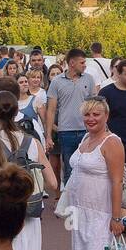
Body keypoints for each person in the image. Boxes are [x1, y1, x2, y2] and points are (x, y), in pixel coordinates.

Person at [60, 95, 126, 250]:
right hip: (80, 210)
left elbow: (117, 181)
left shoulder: (112, 142)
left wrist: (117, 217)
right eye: (87, 114)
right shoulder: (85, 139)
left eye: (95, 114)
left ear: (106, 116)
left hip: (101, 210)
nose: (90, 118)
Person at [0, 87, 57, 250]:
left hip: (2, 211)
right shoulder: (33, 142)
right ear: (16, 111)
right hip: (30, 208)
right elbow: (53, 183)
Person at [97, 58, 126, 233]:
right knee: (116, 179)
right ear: (118, 73)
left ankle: (121, 214)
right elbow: (99, 113)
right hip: (115, 143)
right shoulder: (107, 92)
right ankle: (123, 217)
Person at [46, 48, 94, 188]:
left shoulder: (89, 79)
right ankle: (69, 203)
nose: (85, 65)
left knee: (88, 168)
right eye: (82, 62)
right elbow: (51, 110)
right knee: (69, 168)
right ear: (72, 63)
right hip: (66, 132)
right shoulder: (57, 82)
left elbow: (95, 106)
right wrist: (48, 136)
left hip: (87, 131)